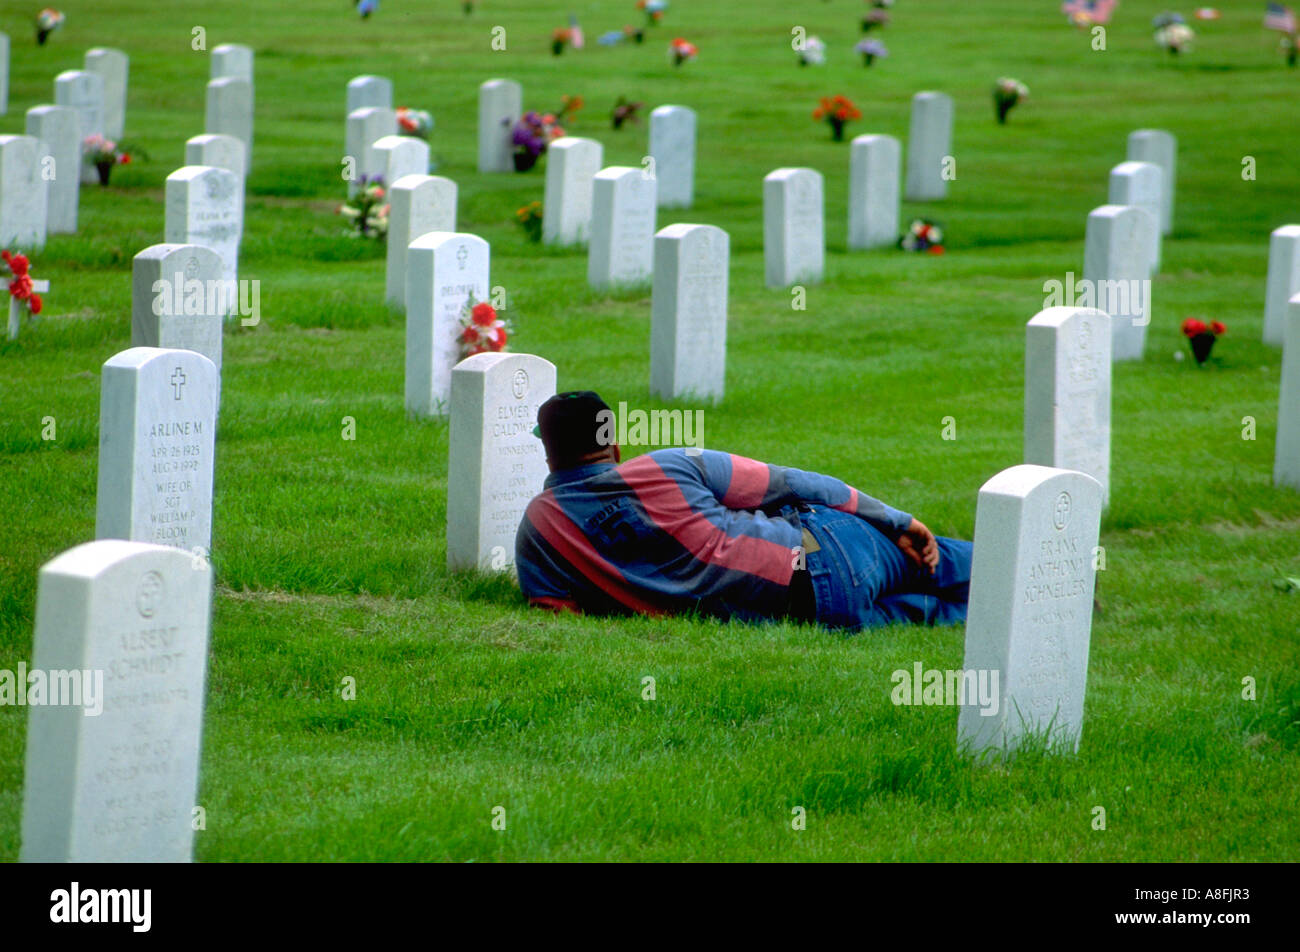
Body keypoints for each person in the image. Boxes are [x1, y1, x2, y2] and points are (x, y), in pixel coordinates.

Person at [515, 391, 973, 630]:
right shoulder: (668, 465)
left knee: (929, 611)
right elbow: (791, 483)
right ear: (615, 445)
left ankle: (957, 612)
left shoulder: (538, 528)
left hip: (805, 618)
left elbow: (555, 613)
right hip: (822, 555)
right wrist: (897, 521)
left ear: (549, 454)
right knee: (954, 564)